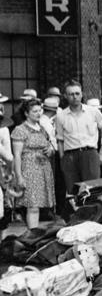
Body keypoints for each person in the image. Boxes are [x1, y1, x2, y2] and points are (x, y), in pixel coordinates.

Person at [56, 79, 102, 205]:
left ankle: (93, 221)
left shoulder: (92, 111)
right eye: (71, 94)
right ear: (65, 96)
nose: (75, 97)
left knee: (92, 190)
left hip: (89, 154)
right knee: (74, 192)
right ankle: (79, 220)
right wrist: (62, 159)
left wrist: (101, 153)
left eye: (77, 93)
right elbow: (60, 140)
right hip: (70, 156)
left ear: (82, 94)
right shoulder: (61, 115)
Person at [11, 99, 56, 230]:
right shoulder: (20, 130)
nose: (38, 113)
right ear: (26, 113)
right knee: (33, 205)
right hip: (29, 169)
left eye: (40, 110)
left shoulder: (42, 129)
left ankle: (35, 234)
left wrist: (50, 150)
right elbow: (17, 155)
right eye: (34, 111)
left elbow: (49, 146)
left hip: (43, 169)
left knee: (39, 205)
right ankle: (32, 235)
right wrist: (19, 176)